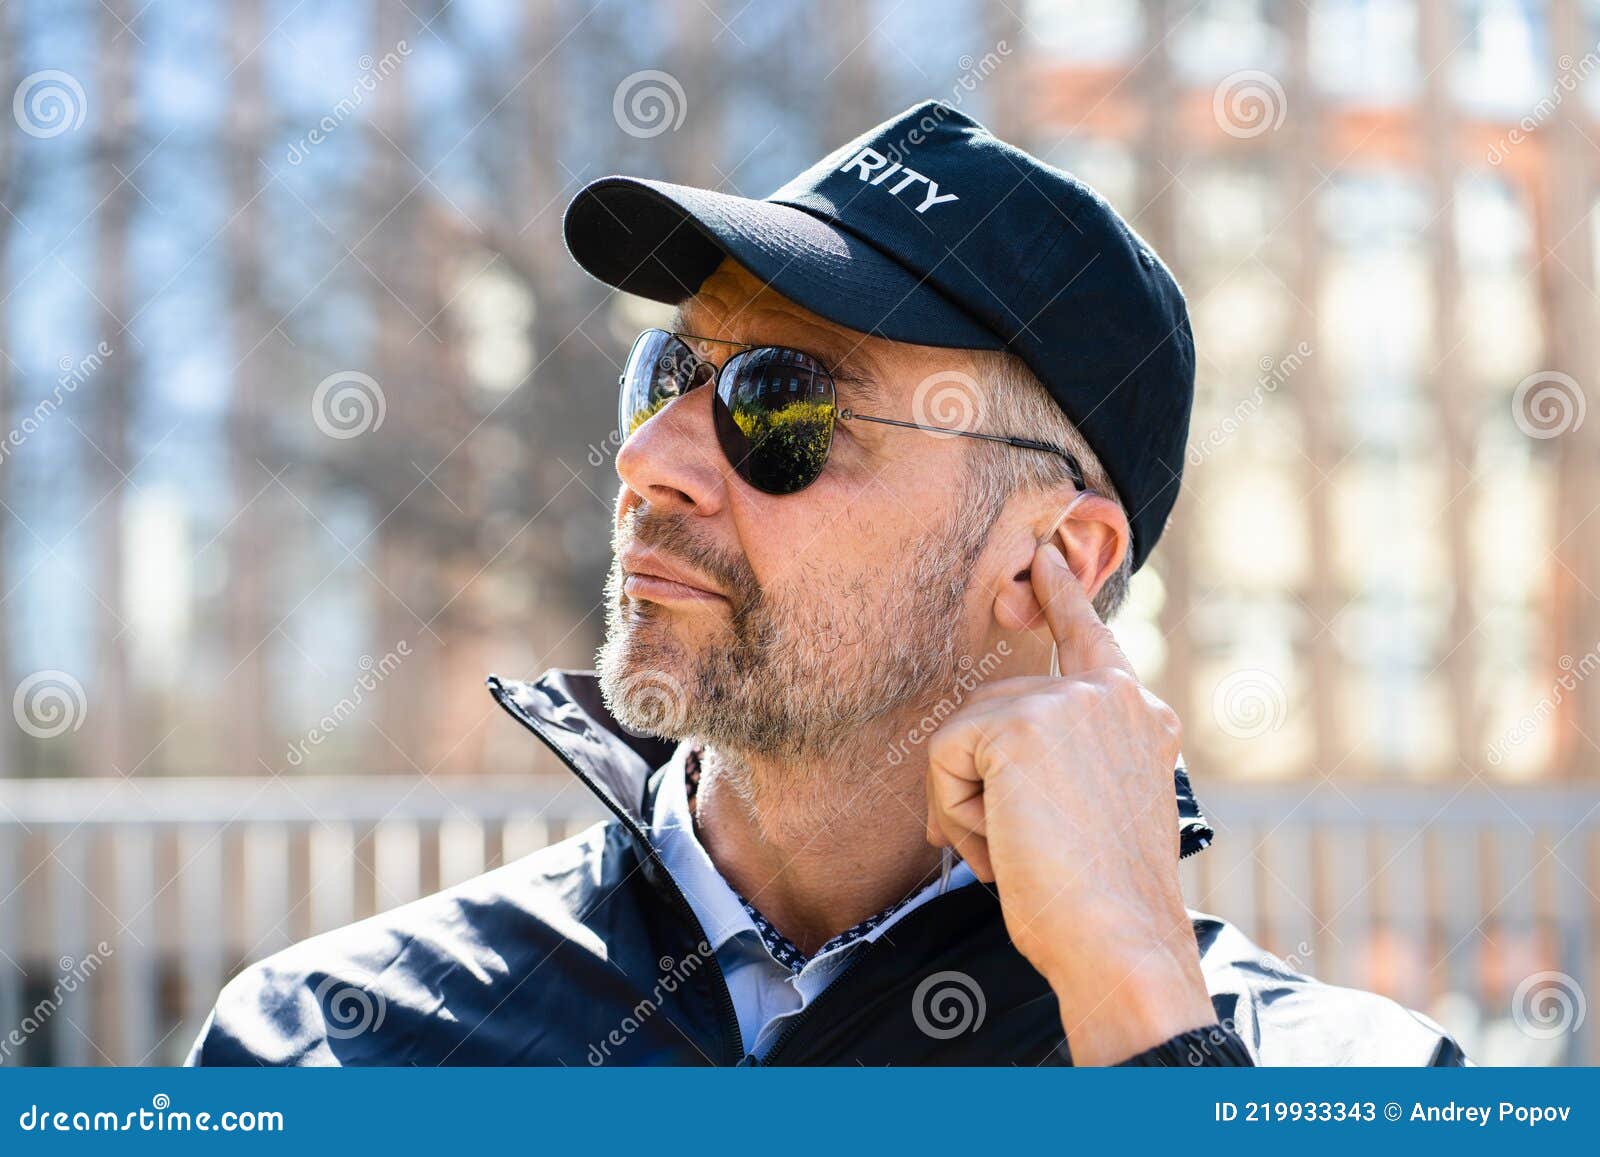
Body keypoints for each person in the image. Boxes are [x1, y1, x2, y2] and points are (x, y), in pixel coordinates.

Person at [189, 101, 1465, 1066]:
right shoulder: (334, 1041)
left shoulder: (1347, 1074)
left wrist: (1138, 1007)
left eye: (779, 402)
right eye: (665, 376)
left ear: (1055, 560)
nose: (648, 458)